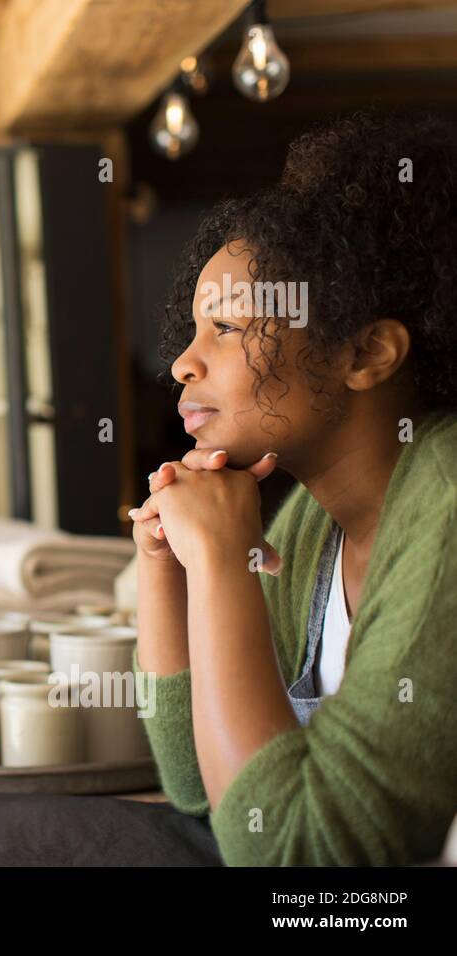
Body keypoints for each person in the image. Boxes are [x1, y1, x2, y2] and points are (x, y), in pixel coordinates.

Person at [129, 109, 457, 865]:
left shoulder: (444, 507)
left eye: (230, 328)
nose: (183, 362)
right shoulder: (315, 515)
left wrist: (218, 564)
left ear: (367, 352)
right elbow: (201, 788)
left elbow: (293, 857)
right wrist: (167, 568)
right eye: (193, 328)